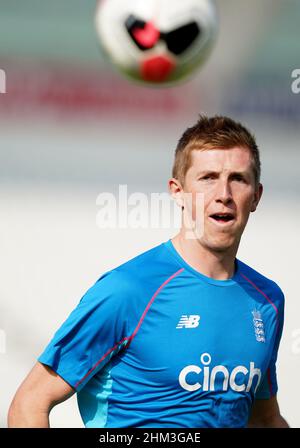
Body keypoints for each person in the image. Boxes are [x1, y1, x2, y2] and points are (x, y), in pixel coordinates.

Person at [8, 115, 289, 428]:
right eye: (208, 177)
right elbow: (29, 405)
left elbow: (264, 420)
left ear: (256, 196)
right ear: (178, 191)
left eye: (238, 178)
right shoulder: (127, 291)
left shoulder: (267, 301)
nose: (224, 193)